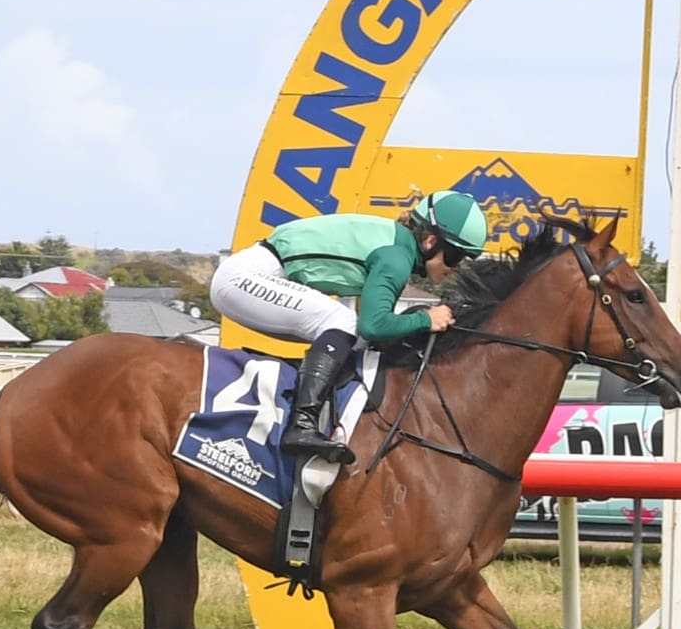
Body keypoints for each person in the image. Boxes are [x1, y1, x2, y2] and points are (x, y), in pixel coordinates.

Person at [209, 190, 490, 463]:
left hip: (255, 275)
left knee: (348, 336)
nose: (456, 267)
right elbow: (374, 325)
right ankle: (301, 425)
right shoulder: (396, 257)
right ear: (430, 242)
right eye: (455, 256)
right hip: (244, 278)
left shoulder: (397, 246)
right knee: (342, 322)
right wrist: (426, 319)